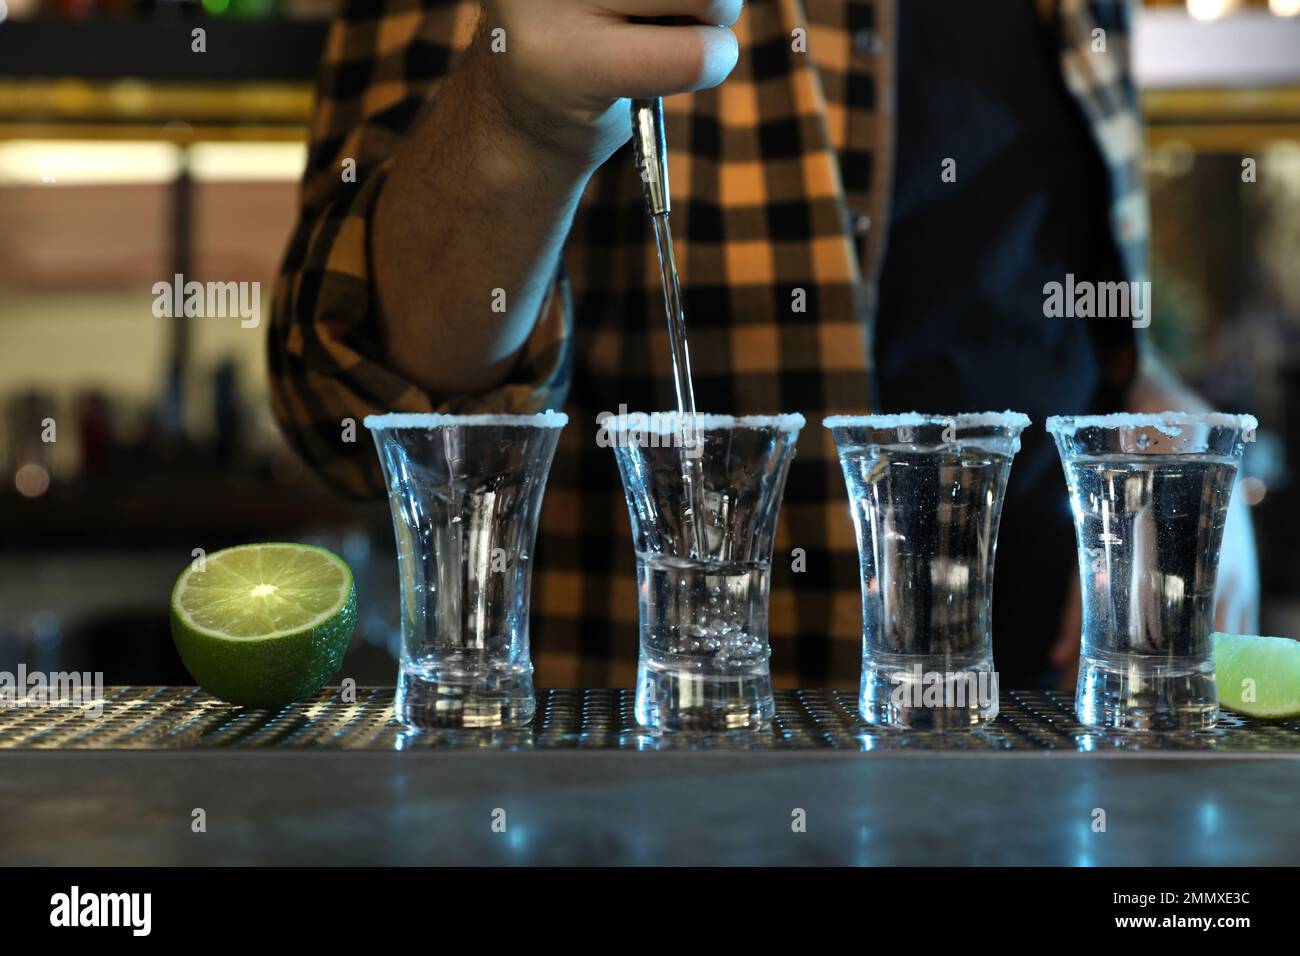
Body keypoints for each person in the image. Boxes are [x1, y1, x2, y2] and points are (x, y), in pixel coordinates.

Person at [270, 0, 1258, 691]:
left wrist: (1160, 415)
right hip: (659, 780)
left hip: (1039, 740)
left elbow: (1037, 302)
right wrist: (519, 123)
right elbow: (342, 398)